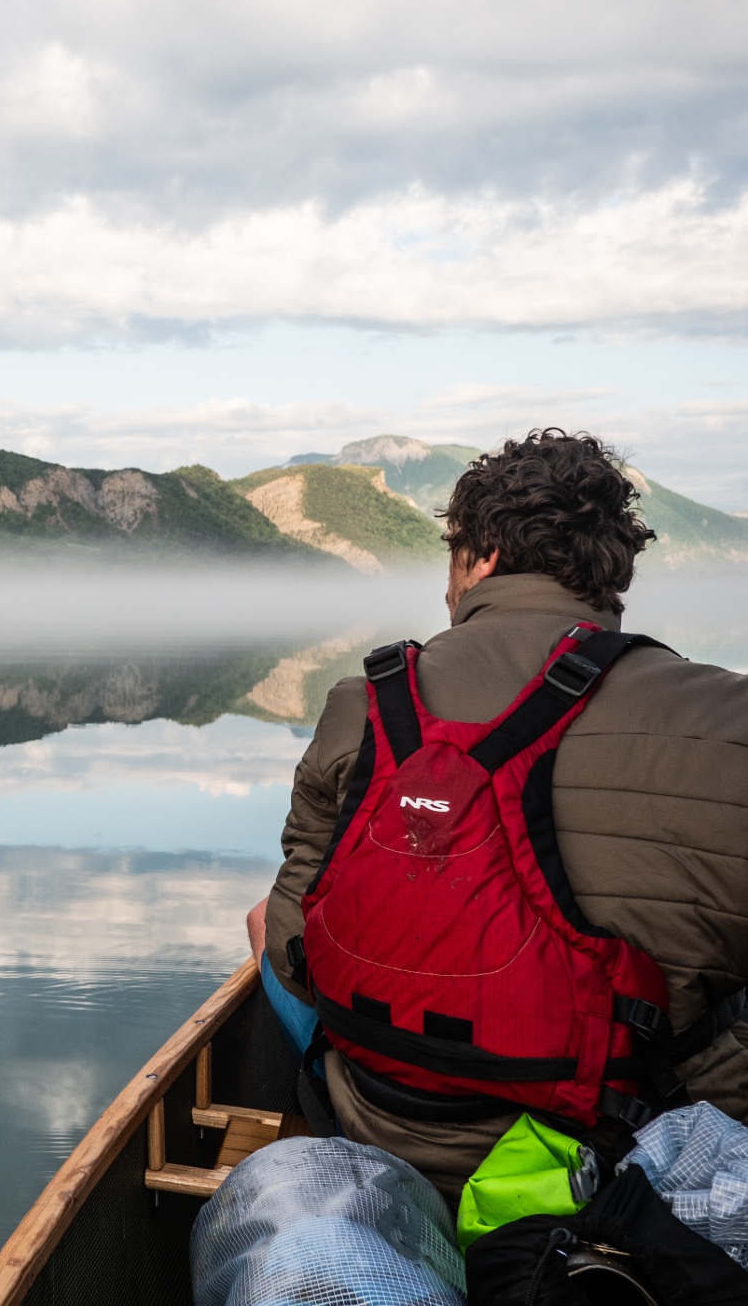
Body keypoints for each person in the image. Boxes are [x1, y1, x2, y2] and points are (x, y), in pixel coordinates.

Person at [249, 429, 748, 1197]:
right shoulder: (728, 716)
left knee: (263, 917)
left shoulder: (362, 702)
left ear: (477, 557)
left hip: (380, 1125)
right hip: (616, 1154)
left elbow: (290, 949)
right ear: (614, 570)